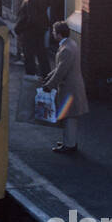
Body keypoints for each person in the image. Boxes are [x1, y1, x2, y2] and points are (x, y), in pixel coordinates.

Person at [42, 21, 87, 154]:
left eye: (54, 32)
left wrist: (49, 86)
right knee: (69, 117)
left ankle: (69, 145)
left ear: (60, 34)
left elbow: (61, 71)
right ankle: (69, 141)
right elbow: (59, 67)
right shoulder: (71, 44)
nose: (53, 34)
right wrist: (49, 76)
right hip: (74, 86)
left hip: (69, 88)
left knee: (69, 117)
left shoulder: (66, 50)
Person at [15, 0, 52, 81]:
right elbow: (48, 3)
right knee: (41, 53)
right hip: (41, 29)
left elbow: (31, 18)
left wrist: (19, 28)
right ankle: (46, 75)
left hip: (29, 32)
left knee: (29, 55)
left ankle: (31, 77)